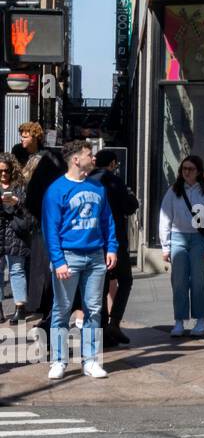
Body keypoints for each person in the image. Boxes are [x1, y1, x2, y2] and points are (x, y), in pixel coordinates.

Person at [42, 140, 117, 380]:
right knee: (61, 310)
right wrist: (58, 260)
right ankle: (59, 360)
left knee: (94, 309)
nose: (93, 158)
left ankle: (91, 360)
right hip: (69, 256)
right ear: (76, 159)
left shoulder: (98, 188)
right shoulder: (56, 190)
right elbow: (50, 229)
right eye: (88, 154)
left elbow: (107, 221)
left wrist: (111, 248)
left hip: (95, 255)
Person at [160, 154, 204, 337]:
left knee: (199, 280)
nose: (187, 172)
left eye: (191, 169)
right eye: (184, 169)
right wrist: (165, 246)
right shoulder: (173, 190)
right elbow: (165, 217)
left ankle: (201, 320)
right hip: (178, 237)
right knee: (179, 281)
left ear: (198, 171)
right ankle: (179, 321)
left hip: (198, 239)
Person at [89, 151, 140, 347]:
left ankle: (102, 328)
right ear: (112, 163)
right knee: (125, 280)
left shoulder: (87, 181)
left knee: (99, 286)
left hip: (93, 241)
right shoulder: (115, 181)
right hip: (115, 240)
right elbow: (130, 206)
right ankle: (114, 323)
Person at [20, 123, 67, 332]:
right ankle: (50, 316)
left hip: (41, 225)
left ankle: (48, 317)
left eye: (26, 136)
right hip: (48, 225)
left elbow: (32, 197)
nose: (23, 139)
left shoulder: (44, 163)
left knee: (44, 271)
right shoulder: (59, 174)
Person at [0, 153, 34, 325]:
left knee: (16, 270)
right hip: (0, 231)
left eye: (6, 171)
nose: (3, 174)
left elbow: (29, 213)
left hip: (16, 233)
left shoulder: (20, 186)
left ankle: (20, 308)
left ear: (12, 170)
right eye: (0, 171)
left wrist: (17, 203)